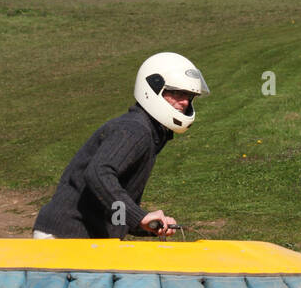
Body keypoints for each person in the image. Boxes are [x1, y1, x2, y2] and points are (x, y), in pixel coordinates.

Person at [32, 51, 209, 239]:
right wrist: (140, 216)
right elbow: (98, 173)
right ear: (152, 88)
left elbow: (109, 203)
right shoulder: (135, 130)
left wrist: (146, 224)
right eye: (176, 93)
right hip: (66, 237)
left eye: (189, 96)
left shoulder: (149, 133)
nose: (184, 102)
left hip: (80, 237)